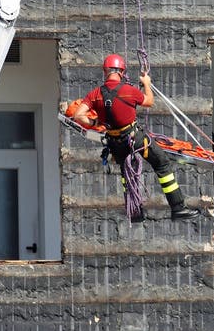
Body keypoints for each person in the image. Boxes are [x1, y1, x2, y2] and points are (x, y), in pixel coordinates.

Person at [67, 53, 199, 222]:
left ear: (105, 71)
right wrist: (147, 84)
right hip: (134, 138)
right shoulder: (129, 91)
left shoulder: (95, 94)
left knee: (126, 173)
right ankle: (178, 207)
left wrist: (96, 122)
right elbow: (149, 101)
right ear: (121, 72)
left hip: (115, 142)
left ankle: (135, 212)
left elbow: (78, 115)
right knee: (162, 163)